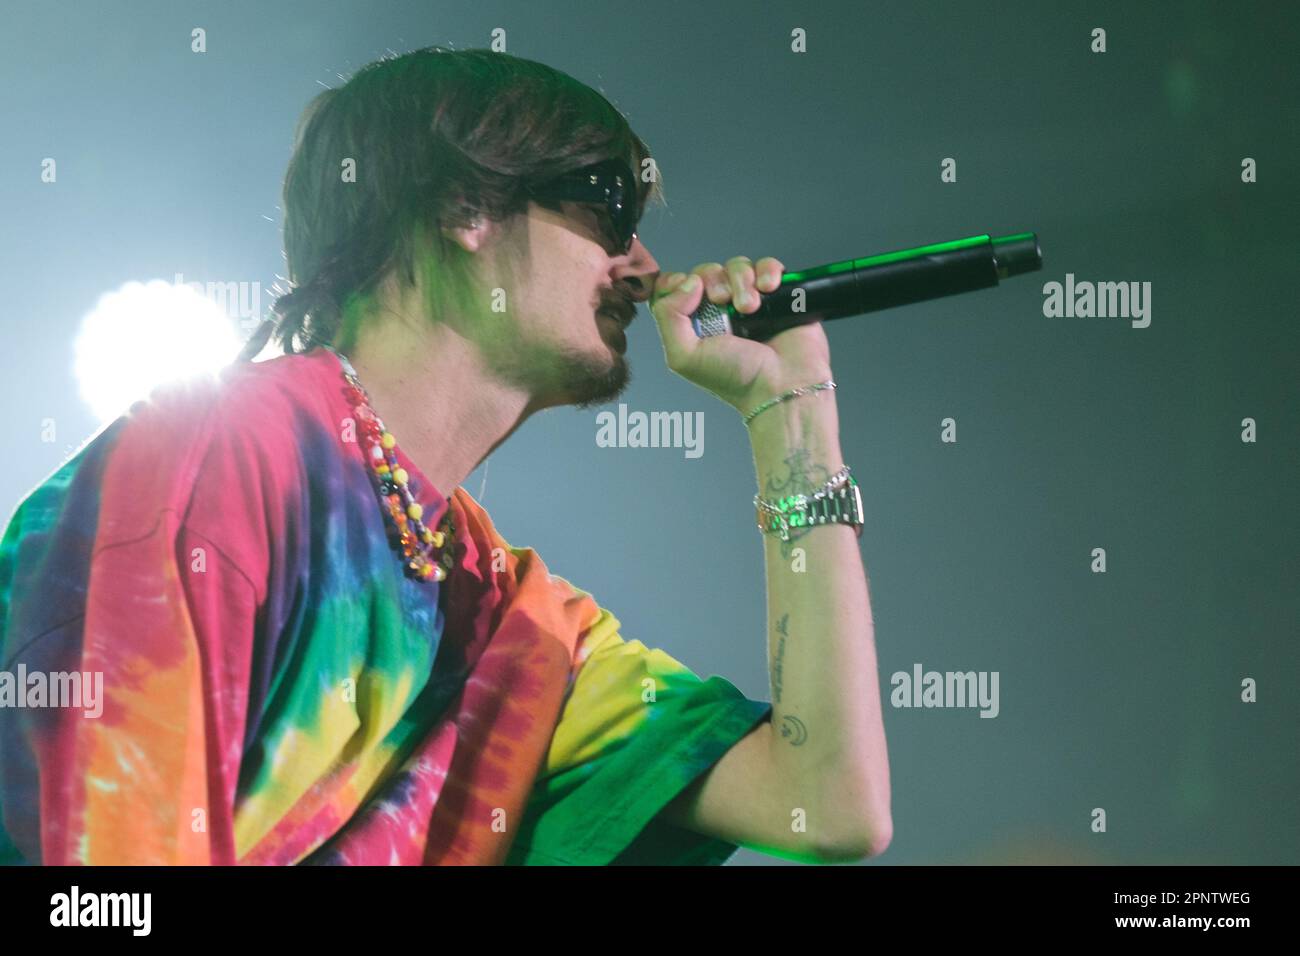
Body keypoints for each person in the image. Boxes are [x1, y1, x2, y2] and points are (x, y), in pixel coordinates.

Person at [0, 47, 890, 865]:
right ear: (464, 206)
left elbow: (828, 803)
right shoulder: (221, 455)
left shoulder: (513, 618)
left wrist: (789, 415)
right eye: (608, 204)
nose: (642, 262)